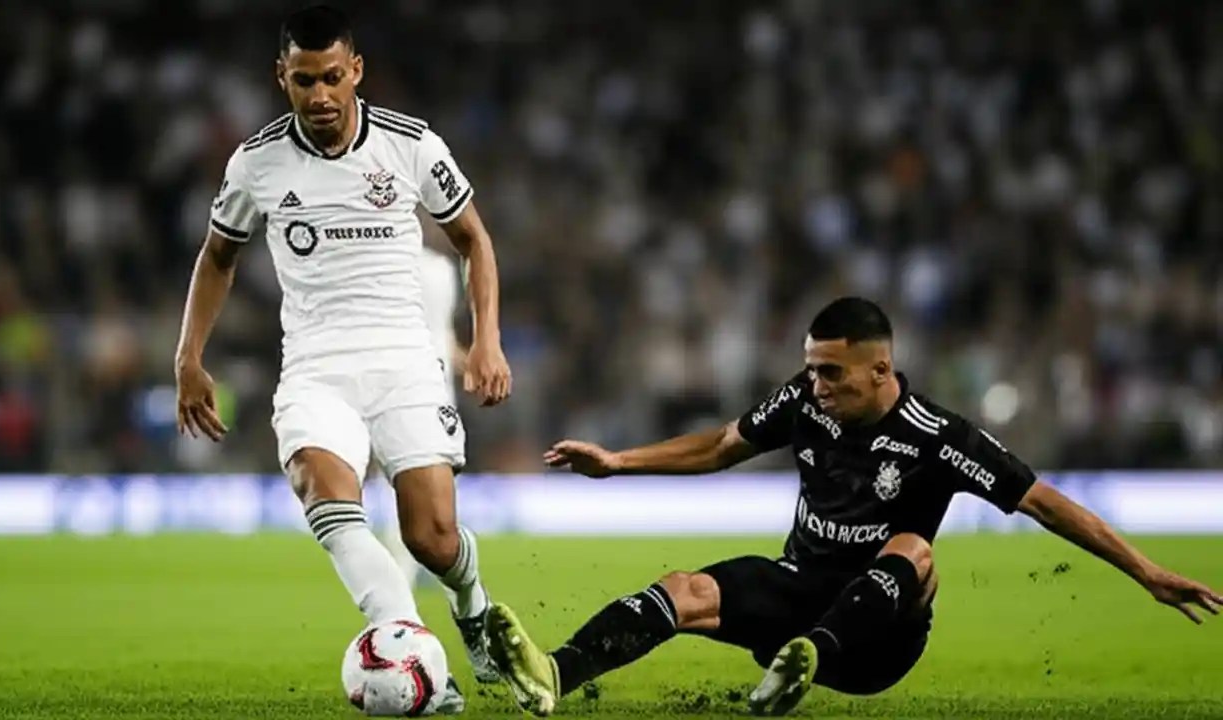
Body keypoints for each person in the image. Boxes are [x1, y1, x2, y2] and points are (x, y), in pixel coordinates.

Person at [486, 297, 1221, 717]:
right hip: (798, 590)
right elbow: (720, 446)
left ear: (880, 368)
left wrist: (1148, 572)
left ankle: (810, 660)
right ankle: (554, 673)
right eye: (811, 369)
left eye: (832, 371)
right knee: (685, 589)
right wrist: (618, 463)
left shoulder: (940, 437)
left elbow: (1046, 504)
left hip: (877, 640)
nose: (817, 384)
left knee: (916, 552)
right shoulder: (807, 401)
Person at [172, 4, 510, 711]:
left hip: (405, 360)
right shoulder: (256, 162)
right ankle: (410, 644)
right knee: (321, 489)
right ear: (281, 78)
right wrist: (188, 357)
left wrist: (486, 341)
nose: (320, 95)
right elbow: (218, 256)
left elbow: (473, 239)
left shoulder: (410, 145)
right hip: (316, 365)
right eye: (303, 81)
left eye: (332, 77)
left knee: (433, 538)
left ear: (356, 70)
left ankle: (474, 609)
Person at [381, 245, 468, 588]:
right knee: (425, 483)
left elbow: (440, 333)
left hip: (409, 388)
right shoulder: (442, 268)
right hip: (428, 390)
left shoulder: (383, 265)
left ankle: (415, 567)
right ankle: (413, 569)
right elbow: (442, 333)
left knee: (403, 484)